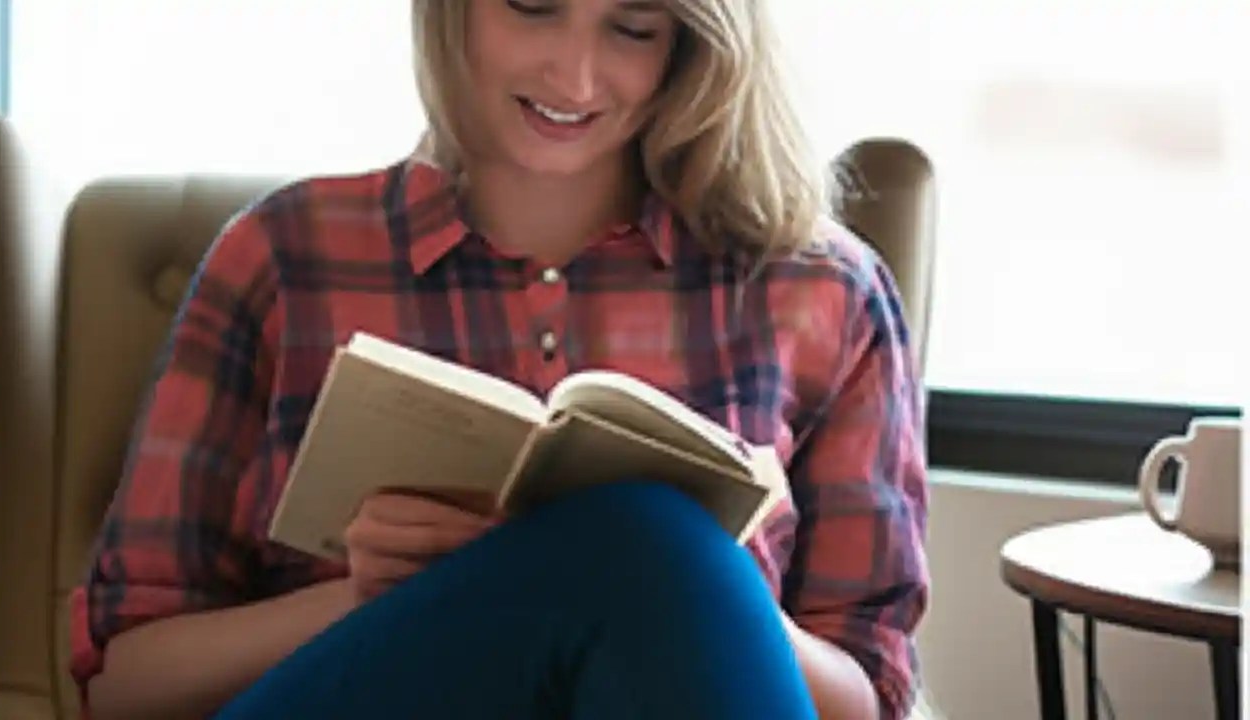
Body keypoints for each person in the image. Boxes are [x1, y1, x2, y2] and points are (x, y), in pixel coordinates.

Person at [69, 1, 930, 718]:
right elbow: (126, 687)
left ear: (689, 46)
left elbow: (875, 698)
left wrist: (700, 588)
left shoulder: (821, 291)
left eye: (632, 28)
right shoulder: (283, 257)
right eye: (532, 5)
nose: (575, 77)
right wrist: (369, 595)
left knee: (650, 542)